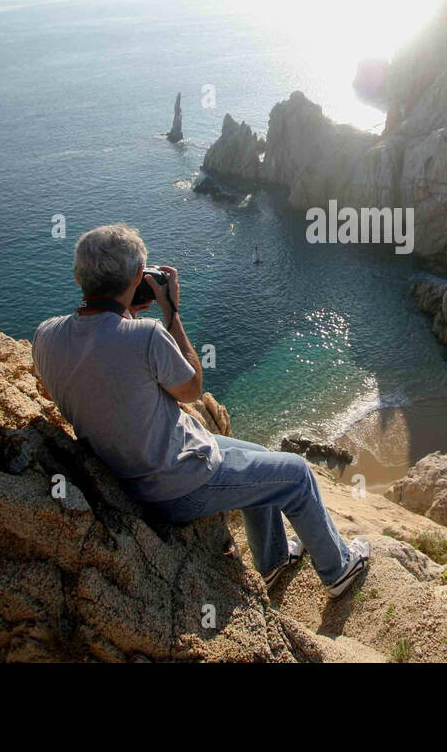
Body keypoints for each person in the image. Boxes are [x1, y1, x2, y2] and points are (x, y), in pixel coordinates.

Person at [32, 223, 368, 596]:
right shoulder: (145, 334)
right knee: (296, 473)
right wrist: (170, 312)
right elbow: (191, 388)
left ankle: (272, 562)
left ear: (79, 276)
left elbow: (102, 368)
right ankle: (338, 570)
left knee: (261, 457)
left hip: (130, 474)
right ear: (136, 279)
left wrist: (122, 310)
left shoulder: (46, 336)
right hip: (178, 484)